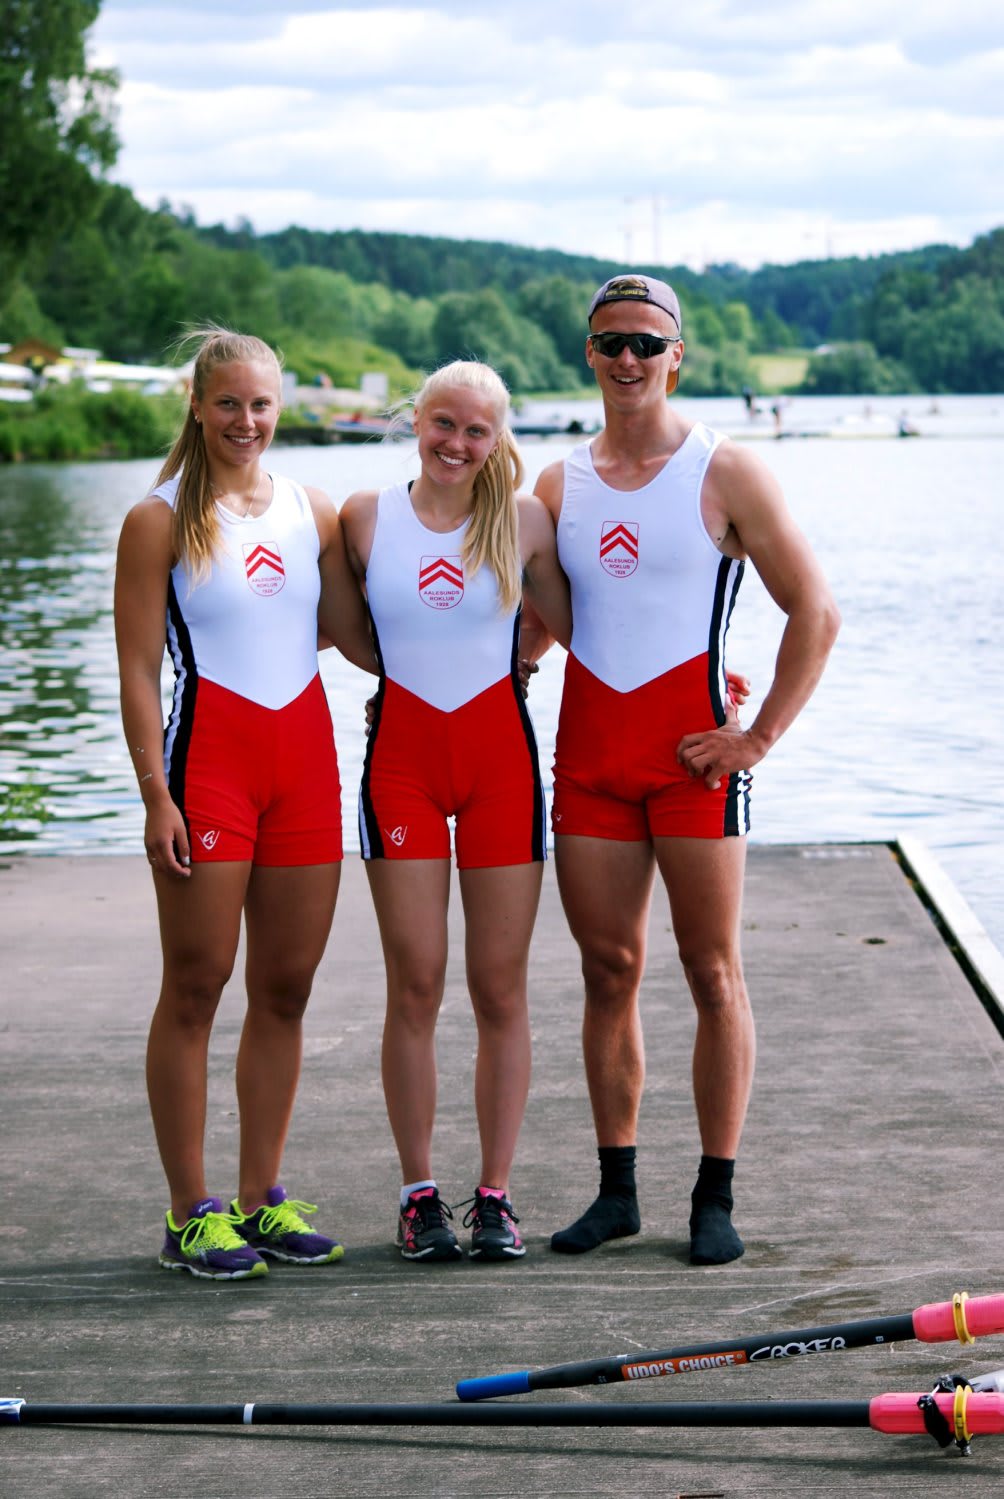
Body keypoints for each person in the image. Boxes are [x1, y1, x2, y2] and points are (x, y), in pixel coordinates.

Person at [527, 275, 840, 1265]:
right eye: (610, 342)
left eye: (645, 344)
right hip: (587, 762)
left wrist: (755, 738)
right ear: (588, 353)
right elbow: (536, 621)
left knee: (710, 970)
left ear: (677, 357)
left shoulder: (725, 472)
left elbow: (815, 613)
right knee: (606, 967)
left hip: (691, 766)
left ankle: (713, 1192)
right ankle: (615, 1190)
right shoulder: (552, 483)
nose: (627, 360)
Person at [114, 328, 377, 1280]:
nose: (247, 421)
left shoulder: (313, 510)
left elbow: (362, 640)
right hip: (208, 767)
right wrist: (156, 796)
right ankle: (192, 1211)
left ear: (281, 407)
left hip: (305, 763)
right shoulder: (157, 519)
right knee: (196, 986)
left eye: (262, 404)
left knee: (288, 988)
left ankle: (262, 1199)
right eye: (228, 403)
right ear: (197, 404)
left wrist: (521, 639)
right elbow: (138, 673)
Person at [340, 360, 570, 1264]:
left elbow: (570, 618)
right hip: (400, 764)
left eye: (478, 430)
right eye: (443, 423)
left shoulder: (522, 521)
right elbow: (338, 624)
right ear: (417, 420)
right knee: (417, 981)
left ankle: (496, 1195)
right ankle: (418, 1194)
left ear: (498, 438)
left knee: (499, 986)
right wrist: (397, 676)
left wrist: (523, 661)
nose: (457, 443)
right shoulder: (365, 516)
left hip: (499, 766)